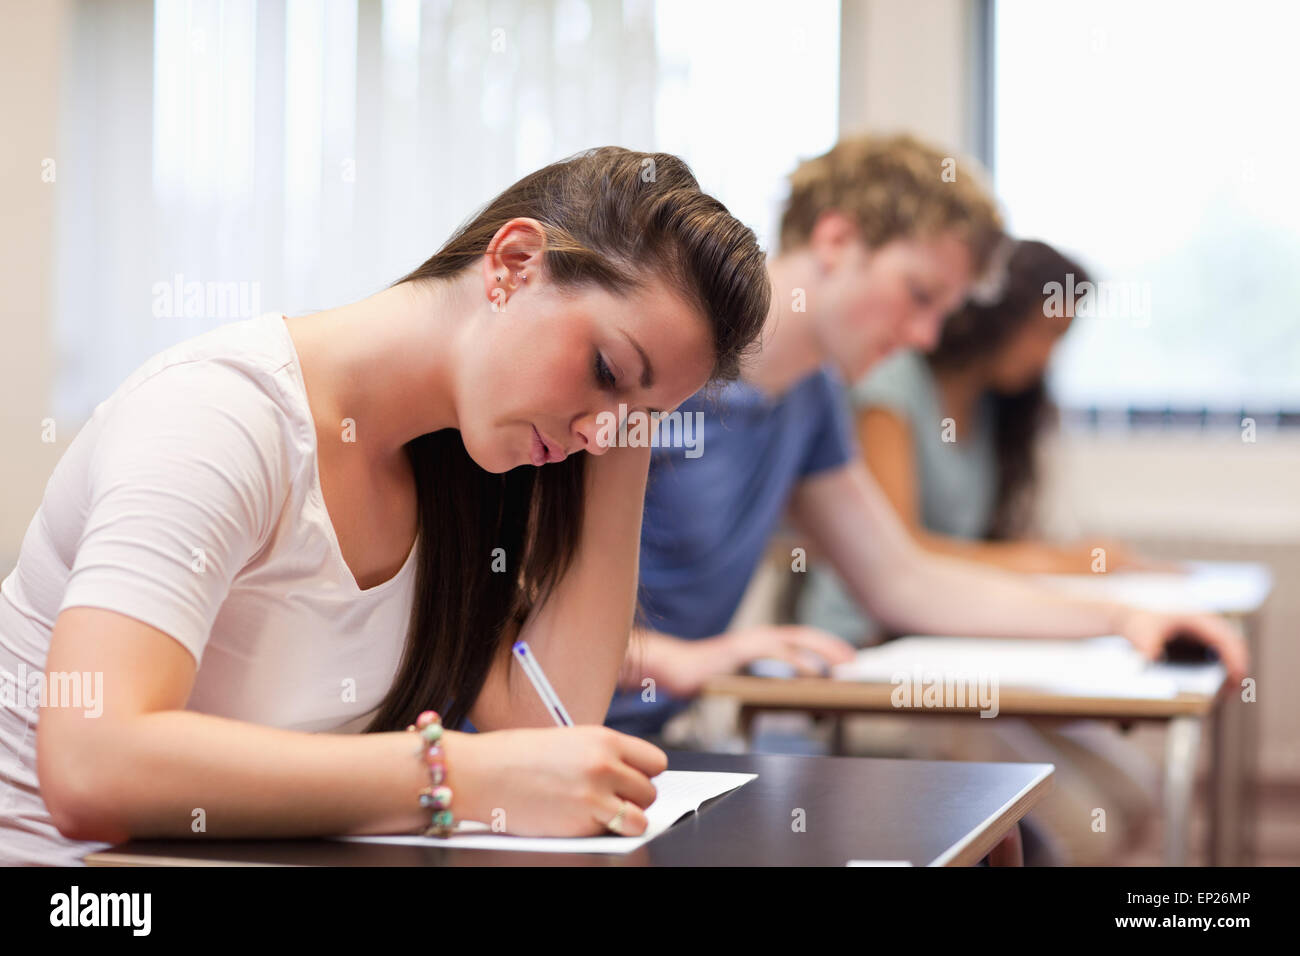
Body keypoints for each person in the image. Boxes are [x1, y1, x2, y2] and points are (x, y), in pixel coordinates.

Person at [0, 147, 771, 865]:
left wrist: (631, 418)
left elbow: (549, 731)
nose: (603, 433)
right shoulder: (219, 418)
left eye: (644, 417)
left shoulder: (458, 469)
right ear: (514, 264)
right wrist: (455, 775)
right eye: (604, 368)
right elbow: (89, 769)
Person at [608, 133, 1247, 749]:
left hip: (655, 744)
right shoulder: (658, 366)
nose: (926, 337)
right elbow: (519, 620)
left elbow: (903, 579)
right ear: (837, 239)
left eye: (942, 311)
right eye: (919, 296)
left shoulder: (812, 397)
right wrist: (677, 660)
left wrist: (1122, 620)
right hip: (567, 736)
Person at [797, 238, 1159, 646]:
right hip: (862, 639)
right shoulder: (891, 384)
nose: (1048, 358)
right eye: (1048, 332)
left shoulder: (992, 409)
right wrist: (1060, 563)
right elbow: (900, 554)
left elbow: (971, 550)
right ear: (1000, 317)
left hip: (938, 632)